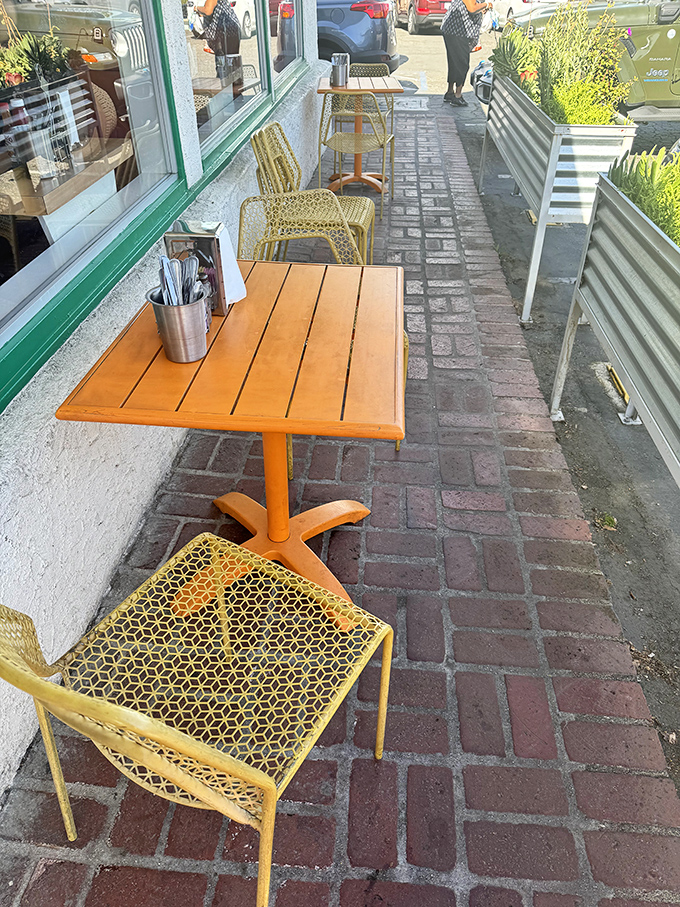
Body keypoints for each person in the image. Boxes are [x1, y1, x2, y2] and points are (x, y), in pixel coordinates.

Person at [440, 0, 493, 106]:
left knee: (454, 62)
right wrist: (487, 4)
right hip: (458, 31)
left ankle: (450, 92)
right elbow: (472, 8)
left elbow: (471, 8)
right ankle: (457, 96)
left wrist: (481, 8)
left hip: (454, 30)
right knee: (462, 64)